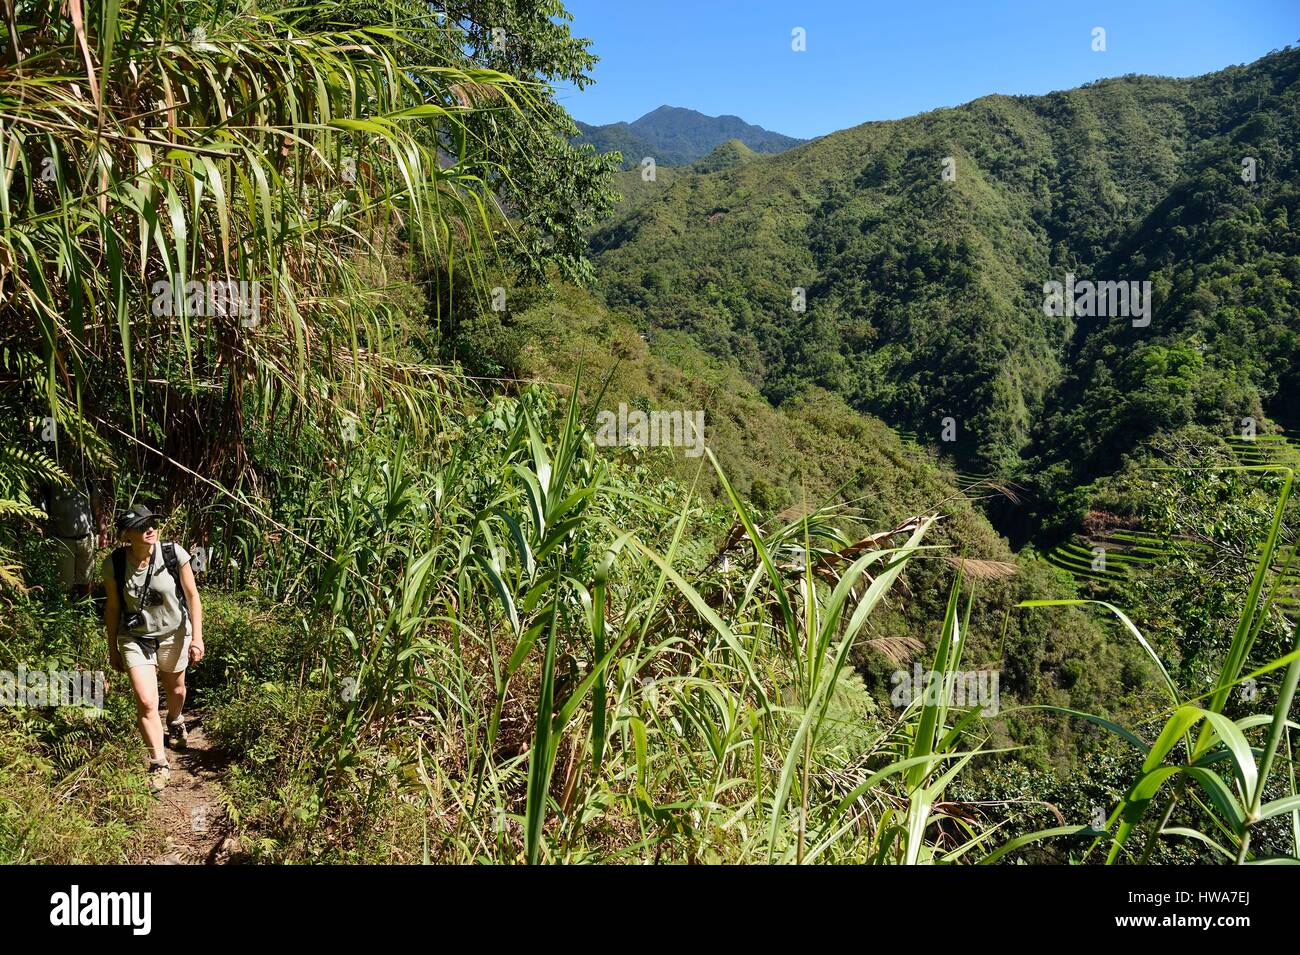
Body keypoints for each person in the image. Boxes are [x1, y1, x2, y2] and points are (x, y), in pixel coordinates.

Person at [102, 505, 205, 791]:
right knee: (147, 701)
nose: (150, 529)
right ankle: (158, 763)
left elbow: (192, 596)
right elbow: (112, 608)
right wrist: (112, 648)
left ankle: (175, 720)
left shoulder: (174, 554)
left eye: (152, 524)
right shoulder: (115, 564)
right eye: (141, 526)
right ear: (127, 535)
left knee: (176, 690)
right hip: (135, 638)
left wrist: (197, 637)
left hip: (174, 633)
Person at [42, 472, 104, 599]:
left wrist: (103, 532)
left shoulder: (86, 482)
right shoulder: (51, 484)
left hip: (86, 539)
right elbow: (41, 514)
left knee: (86, 579)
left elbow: (97, 507)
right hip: (63, 541)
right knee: (64, 583)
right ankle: (64, 612)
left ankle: (84, 610)